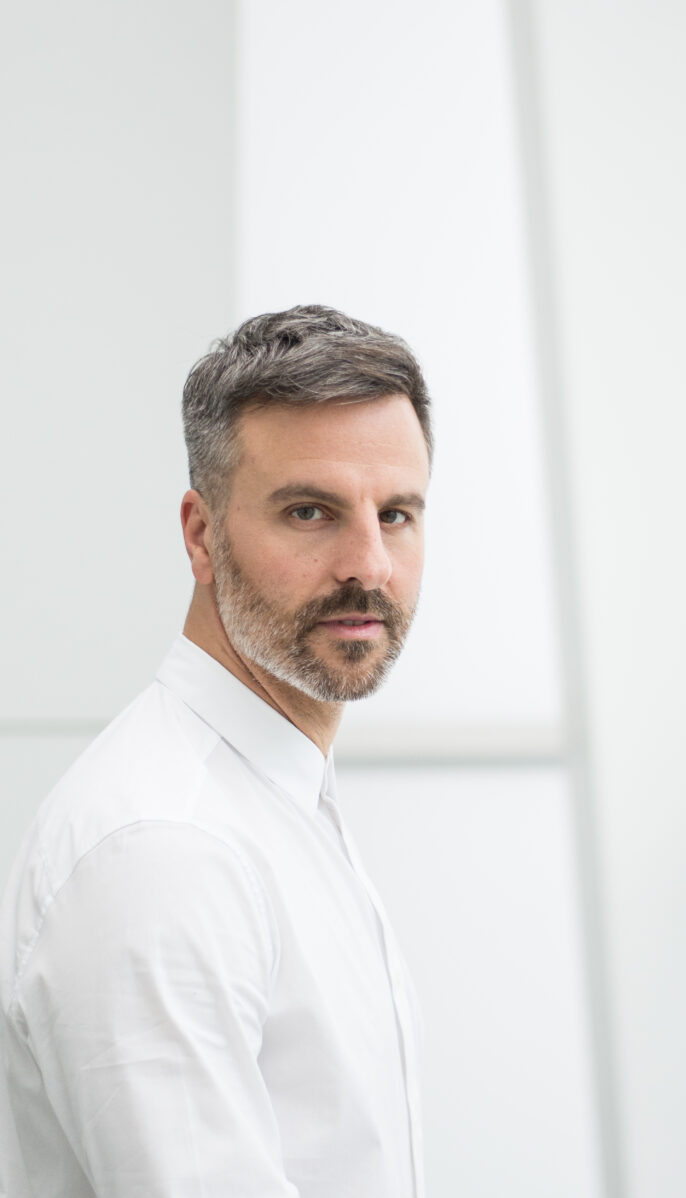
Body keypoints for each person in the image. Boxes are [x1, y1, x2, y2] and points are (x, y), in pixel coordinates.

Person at [0, 305, 432, 1198]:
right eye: (310, 512)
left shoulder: (276, 799)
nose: (369, 564)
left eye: (395, 514)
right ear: (201, 534)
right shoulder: (164, 848)